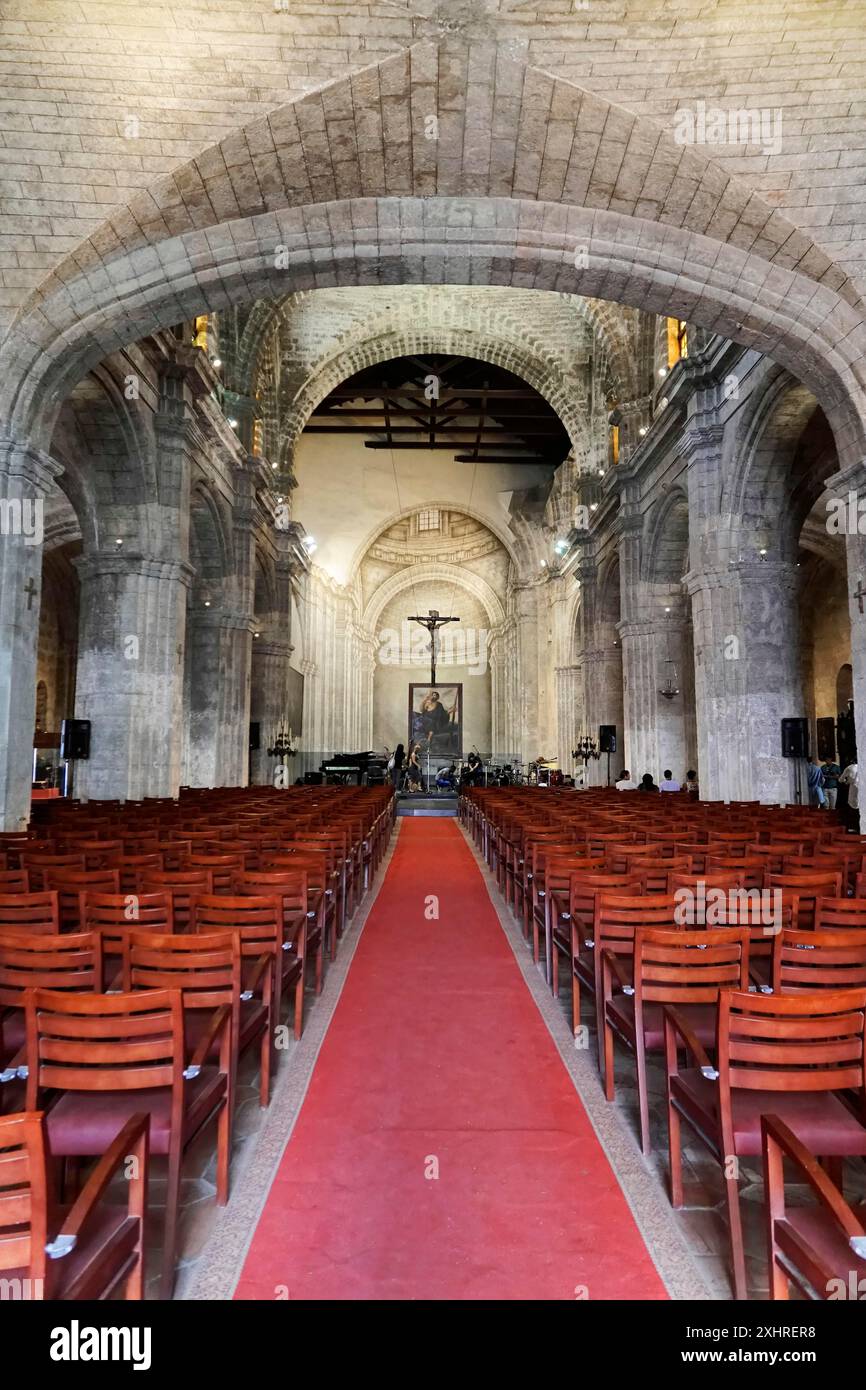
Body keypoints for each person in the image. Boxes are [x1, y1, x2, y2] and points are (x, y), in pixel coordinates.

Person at [839, 760, 859, 832]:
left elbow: (841, 779)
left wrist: (846, 781)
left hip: (853, 790)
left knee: (852, 808)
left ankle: (853, 827)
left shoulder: (849, 768)